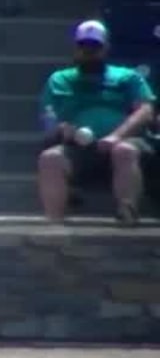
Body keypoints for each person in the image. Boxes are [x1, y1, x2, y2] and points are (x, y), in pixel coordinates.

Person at [37, 20, 154, 226]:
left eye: (95, 47)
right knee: (50, 158)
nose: (89, 52)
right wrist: (61, 130)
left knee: (124, 151)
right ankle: (53, 226)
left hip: (127, 143)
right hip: (79, 148)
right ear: (76, 47)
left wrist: (116, 136)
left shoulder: (127, 77)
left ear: (106, 48)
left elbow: (145, 111)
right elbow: (48, 119)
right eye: (84, 47)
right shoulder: (59, 80)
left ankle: (127, 214)